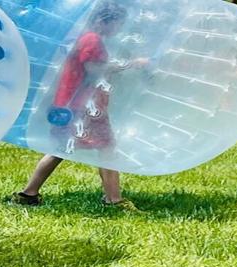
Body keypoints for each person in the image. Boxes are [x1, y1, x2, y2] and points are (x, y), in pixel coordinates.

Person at [9, 2, 146, 210]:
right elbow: (93, 69)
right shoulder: (92, 39)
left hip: (74, 104)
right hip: (83, 106)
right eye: (117, 24)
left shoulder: (88, 38)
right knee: (106, 149)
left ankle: (28, 194)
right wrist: (130, 64)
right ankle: (114, 200)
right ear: (102, 21)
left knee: (62, 149)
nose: (118, 30)